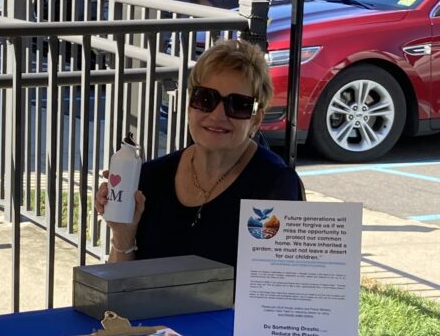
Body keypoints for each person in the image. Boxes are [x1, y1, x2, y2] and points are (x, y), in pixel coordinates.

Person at [95, 39, 303, 269]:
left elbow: (279, 286)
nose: (218, 115)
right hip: (155, 306)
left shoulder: (274, 185)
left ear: (256, 118)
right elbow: (123, 289)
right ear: (189, 105)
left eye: (238, 105)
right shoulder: (151, 178)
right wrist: (123, 233)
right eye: (206, 99)